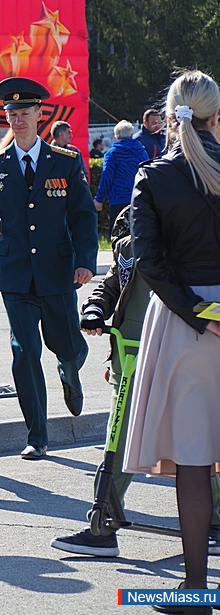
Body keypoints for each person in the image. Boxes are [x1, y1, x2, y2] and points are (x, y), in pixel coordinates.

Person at [51, 206, 220, 558]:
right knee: (121, 437)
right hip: (131, 355)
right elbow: (111, 286)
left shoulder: (197, 246)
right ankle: (103, 520)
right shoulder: (128, 245)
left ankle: (215, 521)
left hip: (184, 352)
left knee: (199, 438)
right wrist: (94, 310)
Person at [124, 70, 220, 607]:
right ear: (216, 117)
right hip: (197, 316)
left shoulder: (155, 175)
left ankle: (196, 587)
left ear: (168, 116)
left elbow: (149, 262)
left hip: (185, 325)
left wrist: (202, 315)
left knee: (194, 459)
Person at [0, 77, 97, 460]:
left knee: (66, 343)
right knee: (24, 350)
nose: (18, 120)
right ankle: (37, 434)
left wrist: (85, 261)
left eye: (25, 113)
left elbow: (82, 215)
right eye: (12, 114)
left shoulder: (65, 161)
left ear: (39, 115)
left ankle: (70, 367)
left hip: (57, 270)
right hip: (15, 273)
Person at [94, 120, 149, 231]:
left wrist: (99, 199)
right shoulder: (141, 152)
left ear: (116, 137)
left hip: (118, 200)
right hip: (138, 199)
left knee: (118, 235)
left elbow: (107, 177)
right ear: (131, 135)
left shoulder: (112, 154)